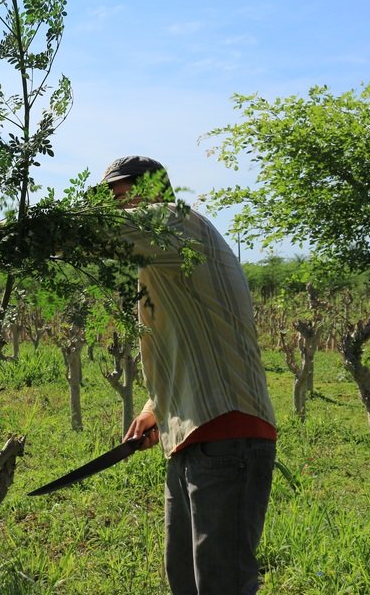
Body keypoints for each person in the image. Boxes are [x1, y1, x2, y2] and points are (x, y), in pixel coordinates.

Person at [109, 155, 277, 595]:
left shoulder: (176, 223)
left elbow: (95, 231)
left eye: (126, 195)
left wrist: (6, 235)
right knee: (185, 580)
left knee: (221, 585)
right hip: (193, 438)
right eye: (114, 200)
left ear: (157, 191)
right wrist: (156, 409)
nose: (120, 207)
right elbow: (184, 341)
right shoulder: (159, 259)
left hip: (228, 430)